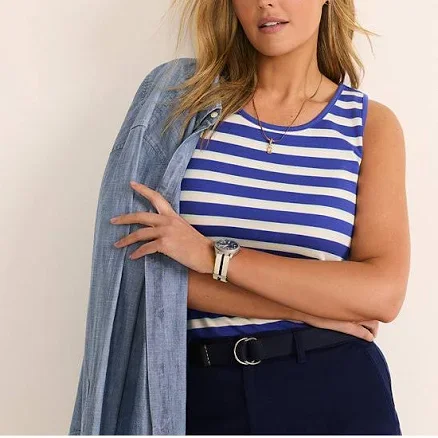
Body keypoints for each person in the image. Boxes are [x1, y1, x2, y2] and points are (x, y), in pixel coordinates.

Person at [69, 0, 410, 434]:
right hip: (200, 393)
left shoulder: (368, 125)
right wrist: (311, 308)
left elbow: (383, 293)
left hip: (337, 388)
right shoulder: (179, 102)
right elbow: (132, 270)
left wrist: (213, 256)